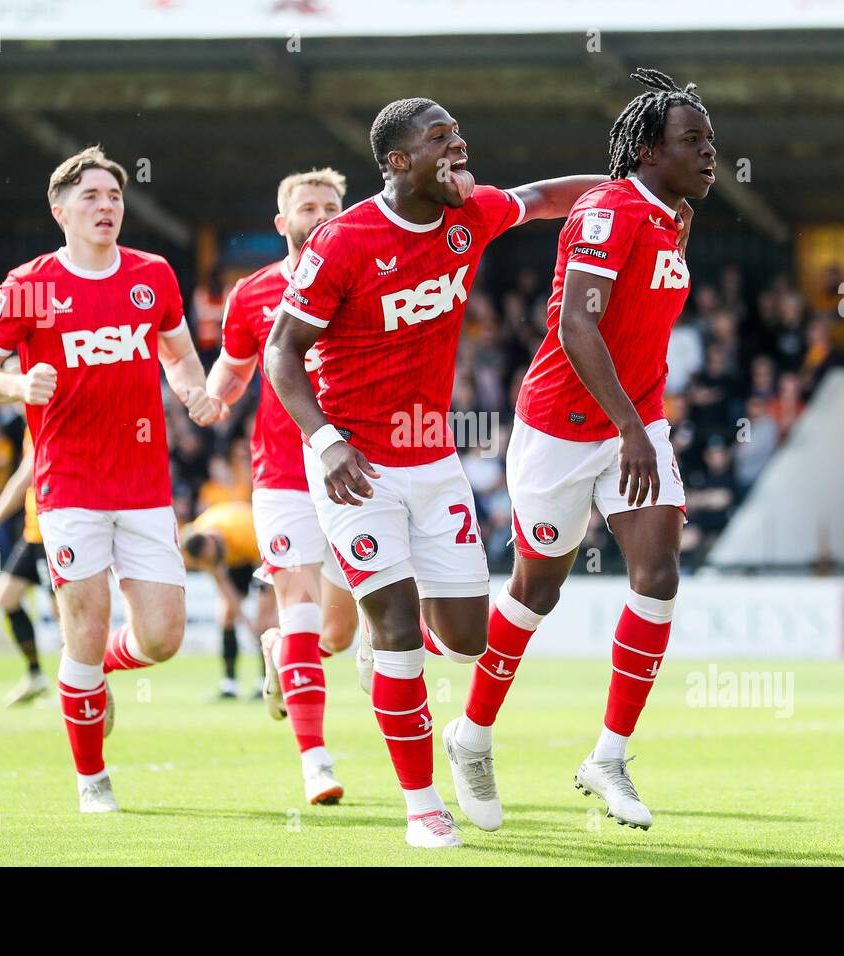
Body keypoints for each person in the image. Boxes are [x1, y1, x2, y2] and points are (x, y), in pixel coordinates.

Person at [266, 96, 635, 848]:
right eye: (440, 140)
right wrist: (326, 440)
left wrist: (630, 193)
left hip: (434, 460)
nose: (458, 147)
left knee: (465, 641)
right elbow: (281, 352)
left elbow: (540, 200)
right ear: (399, 162)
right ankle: (422, 806)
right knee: (400, 629)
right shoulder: (344, 242)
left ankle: (385, 654)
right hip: (355, 465)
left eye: (459, 134)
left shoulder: (470, 214)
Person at [444, 69, 708, 832]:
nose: (711, 153)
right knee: (537, 592)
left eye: (711, 140)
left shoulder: (673, 214)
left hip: (638, 422)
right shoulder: (608, 214)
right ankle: (472, 735)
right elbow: (577, 329)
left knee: (658, 574)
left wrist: (638, 426)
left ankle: (609, 756)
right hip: (563, 426)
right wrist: (629, 427)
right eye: (694, 140)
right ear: (654, 148)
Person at [0, 145, 220, 813]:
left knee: (162, 638)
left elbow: (179, 354)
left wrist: (193, 392)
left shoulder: (154, 275)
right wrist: (20, 382)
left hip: (143, 485)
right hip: (68, 484)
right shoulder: (28, 285)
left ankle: (92, 674)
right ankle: (93, 780)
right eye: (92, 198)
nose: (107, 207)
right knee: (84, 622)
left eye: (114, 196)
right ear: (60, 212)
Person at [205, 168, 361, 805]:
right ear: (282, 221)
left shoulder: (365, 279)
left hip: (355, 467)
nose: (320, 214)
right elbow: (235, 368)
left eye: (330, 206)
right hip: (283, 473)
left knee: (341, 633)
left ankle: (277, 651)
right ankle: (315, 762)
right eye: (307, 206)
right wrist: (210, 397)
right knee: (297, 600)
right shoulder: (252, 294)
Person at [0, 422, 56, 707]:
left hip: (54, 532)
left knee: (66, 617)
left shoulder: (44, 418)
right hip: (32, 534)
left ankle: (84, 687)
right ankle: (35, 675)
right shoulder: (28, 424)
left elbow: (24, 477)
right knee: (6, 598)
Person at [180, 500, 273, 701]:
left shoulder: (245, 532)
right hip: (235, 558)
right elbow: (224, 587)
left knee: (265, 619)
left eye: (208, 557)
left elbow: (268, 569)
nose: (208, 562)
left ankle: (265, 683)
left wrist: (255, 623)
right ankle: (229, 685)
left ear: (211, 543)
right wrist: (244, 621)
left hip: (261, 552)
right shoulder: (198, 543)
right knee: (226, 616)